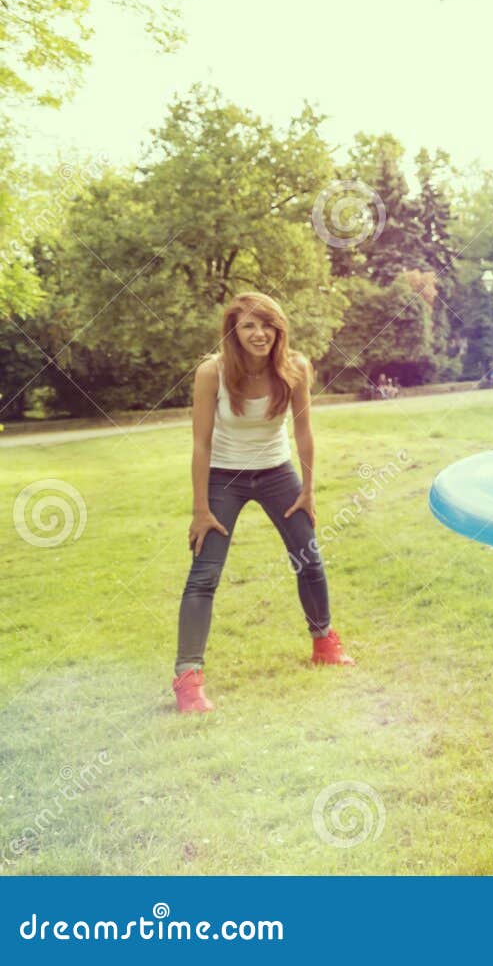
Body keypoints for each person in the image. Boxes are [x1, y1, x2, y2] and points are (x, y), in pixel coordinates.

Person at [173, 293, 354, 713]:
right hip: (224, 476)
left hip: (276, 471)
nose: (259, 334)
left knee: (308, 556)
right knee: (204, 572)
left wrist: (307, 490)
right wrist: (201, 509)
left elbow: (304, 432)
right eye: (250, 326)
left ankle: (324, 642)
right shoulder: (211, 373)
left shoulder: (295, 368)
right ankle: (187, 678)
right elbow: (200, 444)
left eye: (267, 325)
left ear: (279, 329)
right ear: (234, 332)